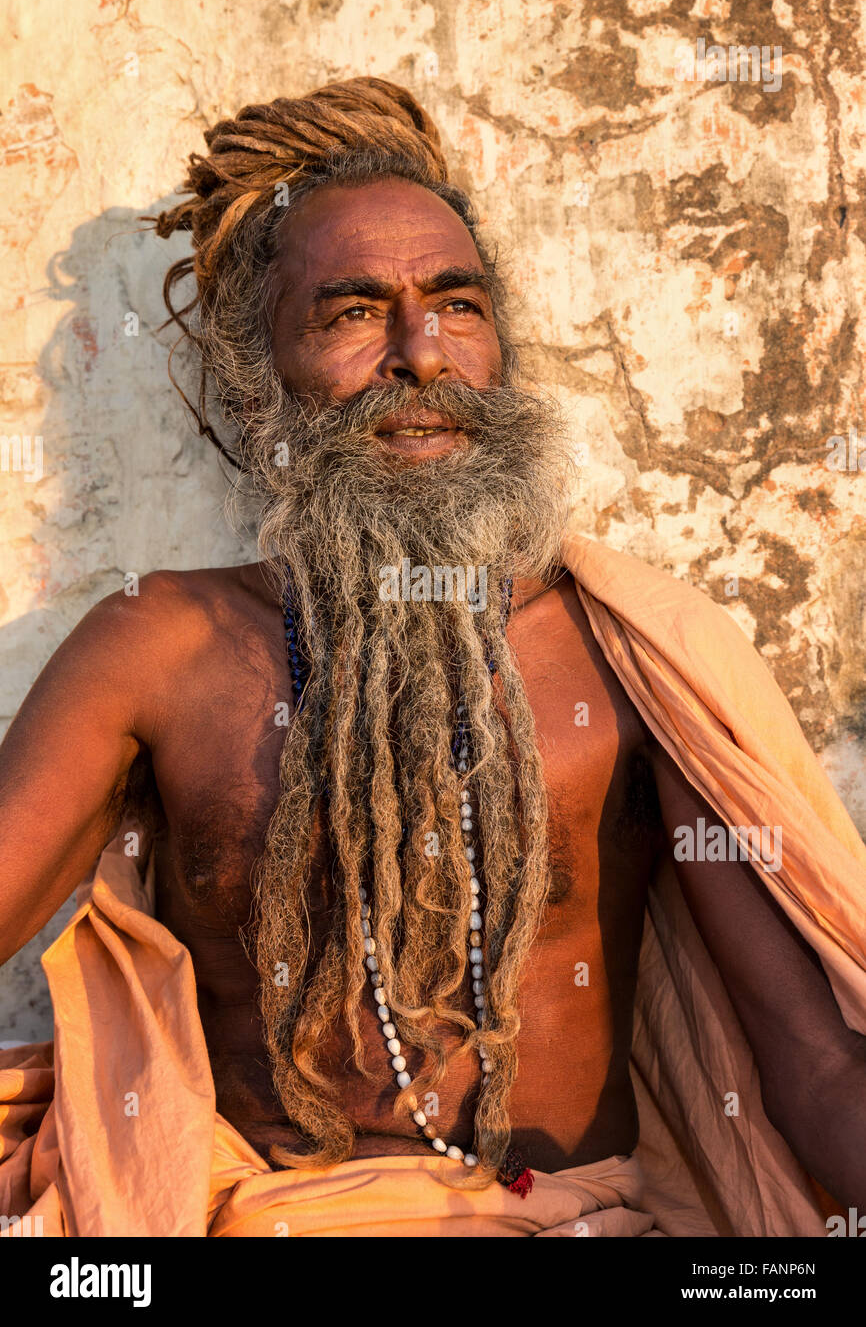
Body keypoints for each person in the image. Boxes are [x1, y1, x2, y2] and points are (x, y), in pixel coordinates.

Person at [1, 77, 865, 1238]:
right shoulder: (156, 649)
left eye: (456, 306)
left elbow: (812, 1067)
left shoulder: (633, 652)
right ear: (260, 374)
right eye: (352, 312)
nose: (421, 353)